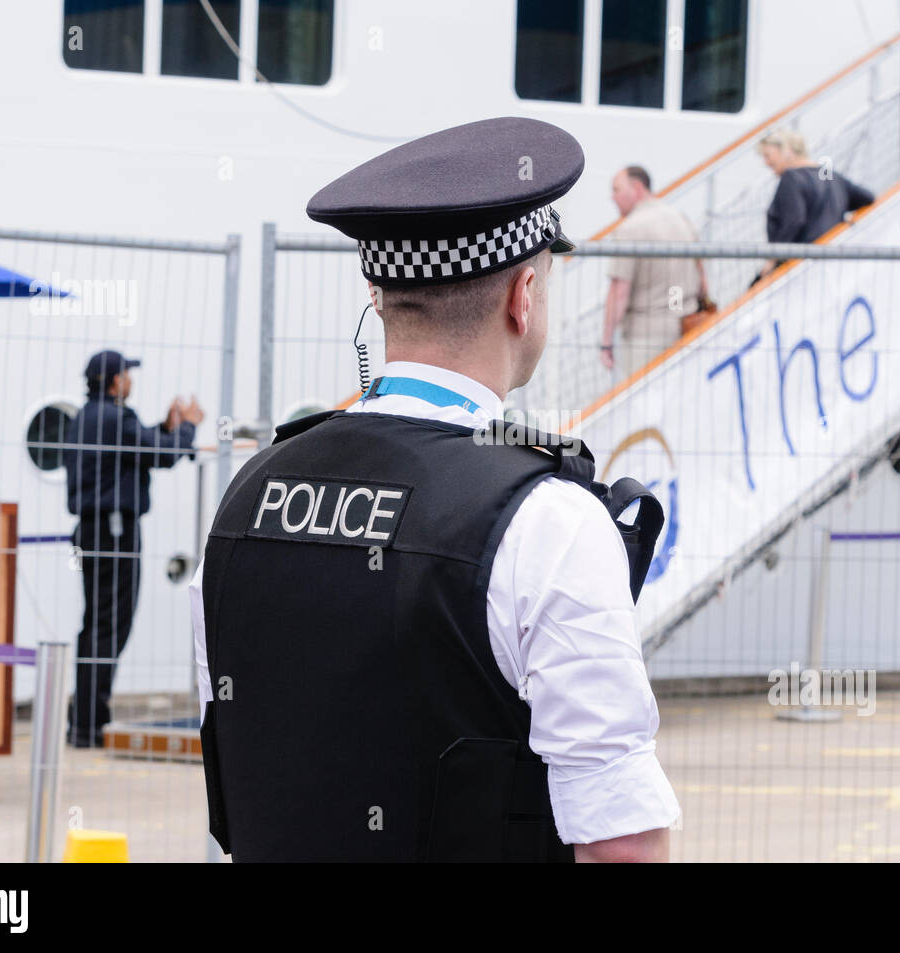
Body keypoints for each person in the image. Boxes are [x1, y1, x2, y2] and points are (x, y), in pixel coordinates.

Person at [191, 117, 680, 863]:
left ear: (378, 294)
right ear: (524, 296)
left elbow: (243, 774)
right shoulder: (548, 522)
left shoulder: (245, 500)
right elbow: (624, 846)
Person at [64, 350, 202, 747]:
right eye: (126, 374)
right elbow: (160, 454)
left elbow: (135, 449)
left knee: (95, 623)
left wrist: (165, 426)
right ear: (113, 381)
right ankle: (91, 723)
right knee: (112, 623)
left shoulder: (82, 419)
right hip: (116, 532)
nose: (131, 380)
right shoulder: (117, 418)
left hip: (91, 531)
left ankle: (84, 720)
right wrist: (188, 428)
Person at [601, 165, 709, 380]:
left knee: (643, 406)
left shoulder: (629, 229)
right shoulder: (680, 218)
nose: (612, 197)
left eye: (616, 189)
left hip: (645, 337)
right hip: (685, 325)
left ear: (637, 188)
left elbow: (619, 291)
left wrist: (606, 341)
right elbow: (701, 275)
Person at [756, 128, 875, 281]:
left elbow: (794, 220)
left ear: (786, 151)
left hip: (800, 268)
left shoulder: (792, 177)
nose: (766, 163)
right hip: (831, 262)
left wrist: (772, 259)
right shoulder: (830, 176)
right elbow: (868, 198)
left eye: (768, 156)